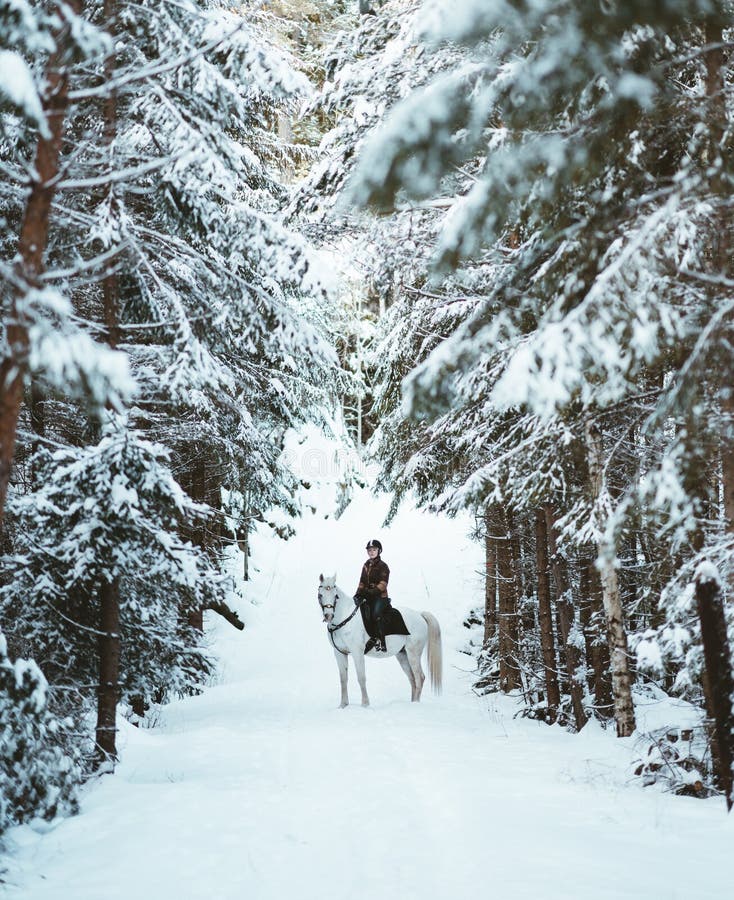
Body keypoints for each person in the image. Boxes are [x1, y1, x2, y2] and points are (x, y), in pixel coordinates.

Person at [354, 539, 390, 653]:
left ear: (379, 551)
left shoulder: (383, 566)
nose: (371, 552)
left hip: (380, 597)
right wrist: (358, 594)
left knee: (375, 614)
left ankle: (380, 640)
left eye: (374, 550)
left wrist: (371, 592)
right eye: (369, 550)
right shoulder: (366, 565)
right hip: (368, 595)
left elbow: (383, 584)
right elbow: (362, 582)